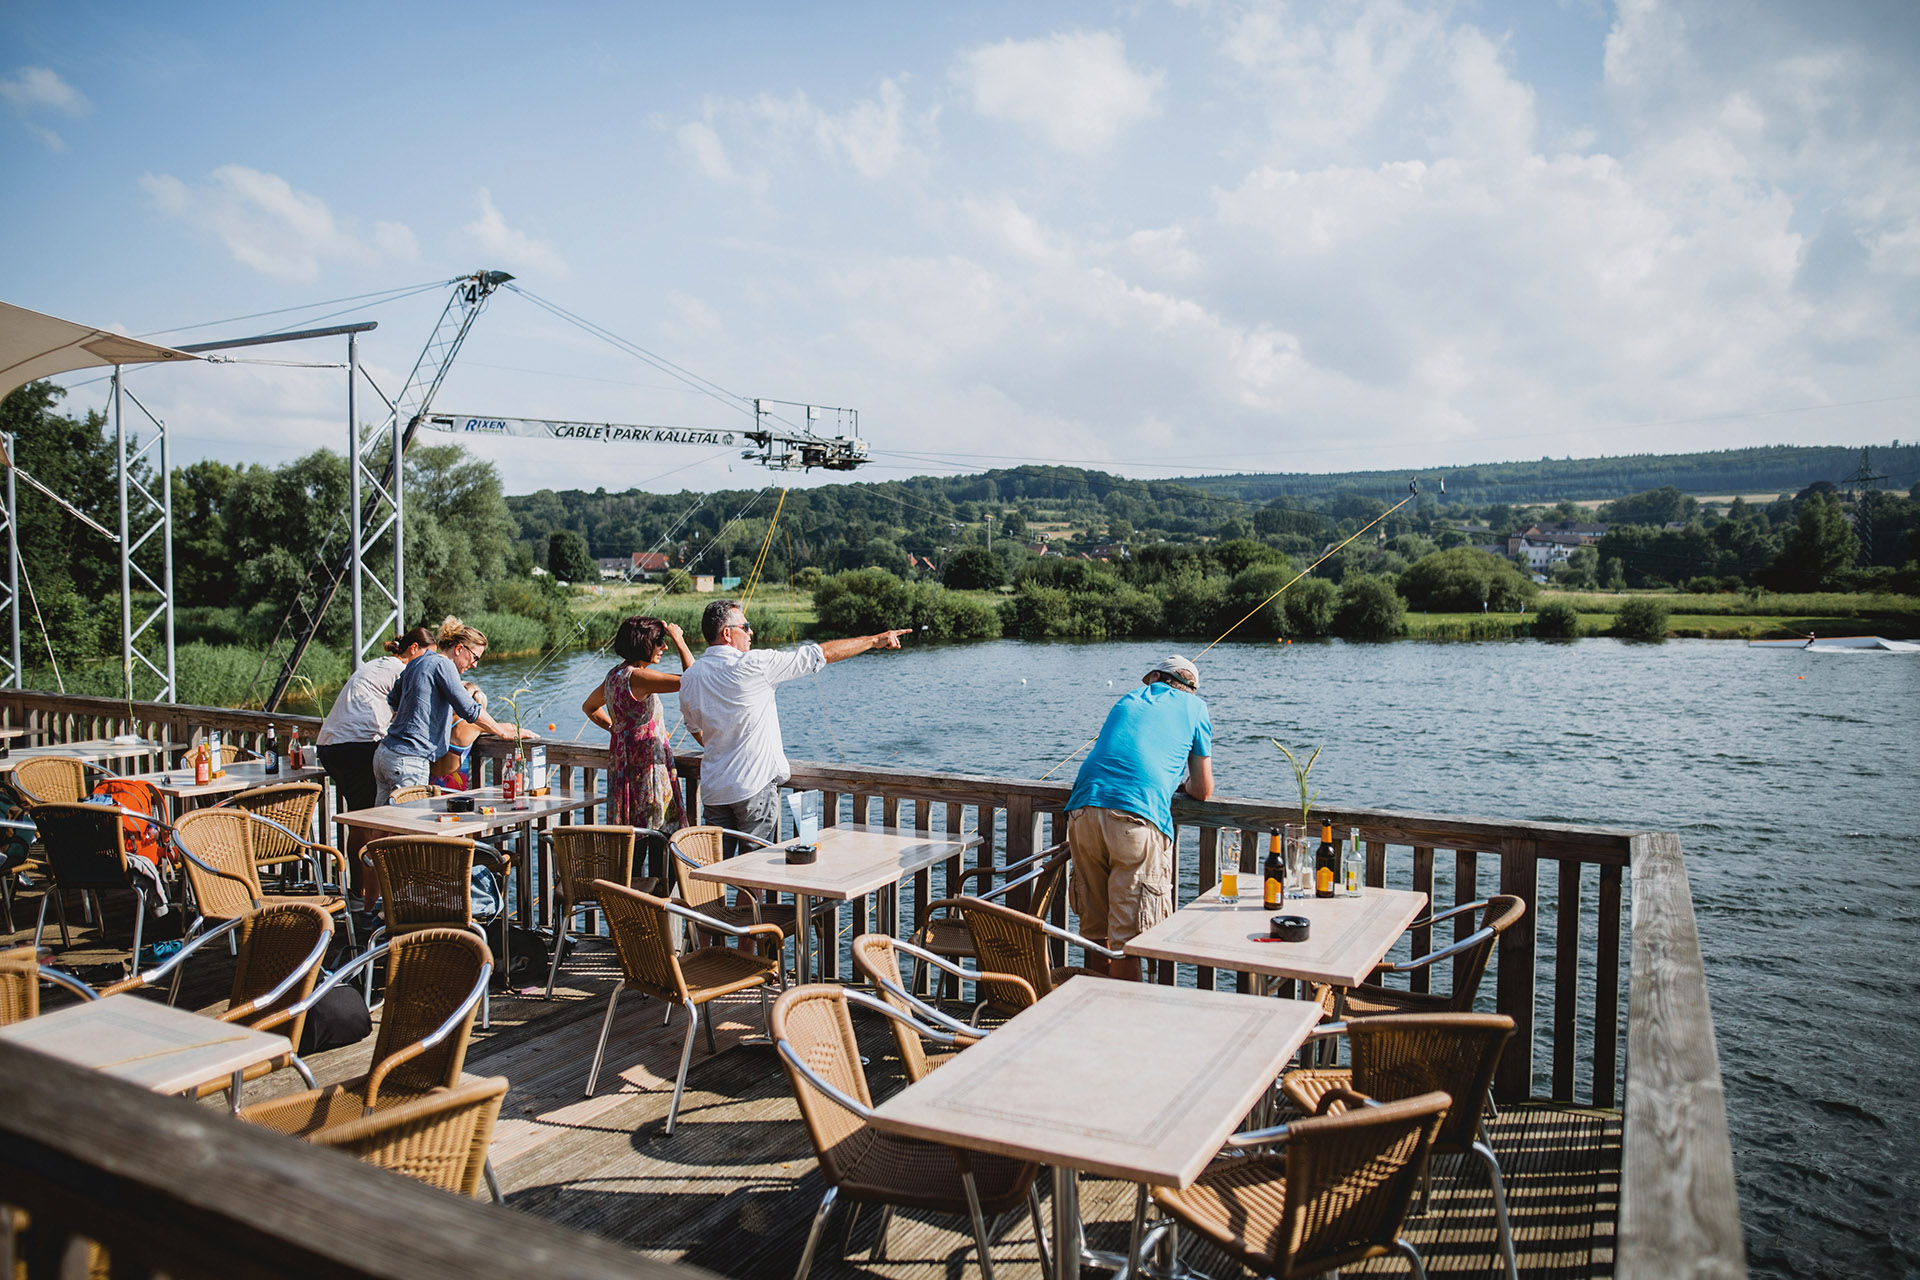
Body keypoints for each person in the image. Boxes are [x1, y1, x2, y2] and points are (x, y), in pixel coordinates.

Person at [678, 599, 908, 845]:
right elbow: (820, 654)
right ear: (727, 633)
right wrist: (875, 640)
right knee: (754, 873)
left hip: (715, 792)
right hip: (753, 789)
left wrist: (723, 746)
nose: (750, 632)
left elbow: (694, 728)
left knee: (717, 871)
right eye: (745, 627)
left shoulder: (690, 677)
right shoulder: (755, 664)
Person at [1065, 654, 1214, 982]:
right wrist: (1183, 784)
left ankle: (1092, 1013)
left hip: (1083, 810)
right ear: (1191, 688)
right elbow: (1203, 789)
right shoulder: (1196, 708)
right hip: (1134, 817)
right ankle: (1124, 1025)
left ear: (1156, 677)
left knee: (1096, 932)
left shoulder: (1128, 699)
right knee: (1128, 941)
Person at [317, 626, 433, 902]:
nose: (428, 665)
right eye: (427, 657)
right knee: (369, 824)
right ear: (413, 649)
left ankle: (360, 895)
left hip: (330, 745)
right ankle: (369, 899)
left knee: (360, 821)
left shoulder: (376, 665)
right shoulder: (401, 670)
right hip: (357, 746)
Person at [372, 617, 536, 805]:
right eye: (475, 657)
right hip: (409, 760)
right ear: (459, 649)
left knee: (383, 826)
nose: (474, 665)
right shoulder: (444, 665)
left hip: (385, 754)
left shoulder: (418, 661)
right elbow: (469, 709)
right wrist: (503, 732)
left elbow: (393, 698)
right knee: (408, 828)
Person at [582, 615, 695, 883]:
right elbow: (694, 680)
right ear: (644, 643)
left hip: (623, 772)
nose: (663, 647)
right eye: (659, 642)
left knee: (632, 848)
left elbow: (589, 707)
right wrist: (680, 640)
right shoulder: (640, 677)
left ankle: (630, 910)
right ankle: (657, 910)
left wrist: (618, 730)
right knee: (658, 843)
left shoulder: (614, 676)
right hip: (648, 773)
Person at [428, 683, 489, 791]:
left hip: (431, 787)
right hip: (455, 789)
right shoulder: (473, 724)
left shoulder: (441, 720)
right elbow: (507, 729)